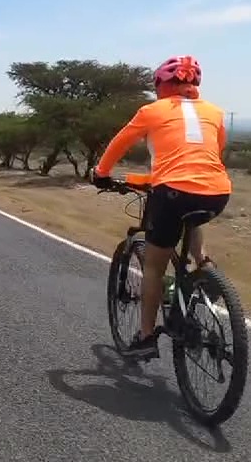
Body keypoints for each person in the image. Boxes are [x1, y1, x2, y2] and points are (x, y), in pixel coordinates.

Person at [91, 55, 232, 359]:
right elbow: (214, 153)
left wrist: (101, 174)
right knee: (192, 212)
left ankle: (145, 338)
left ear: (162, 85)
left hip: (171, 191)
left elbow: (119, 143)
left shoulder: (151, 110)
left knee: (154, 266)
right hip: (218, 191)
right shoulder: (216, 112)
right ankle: (204, 265)